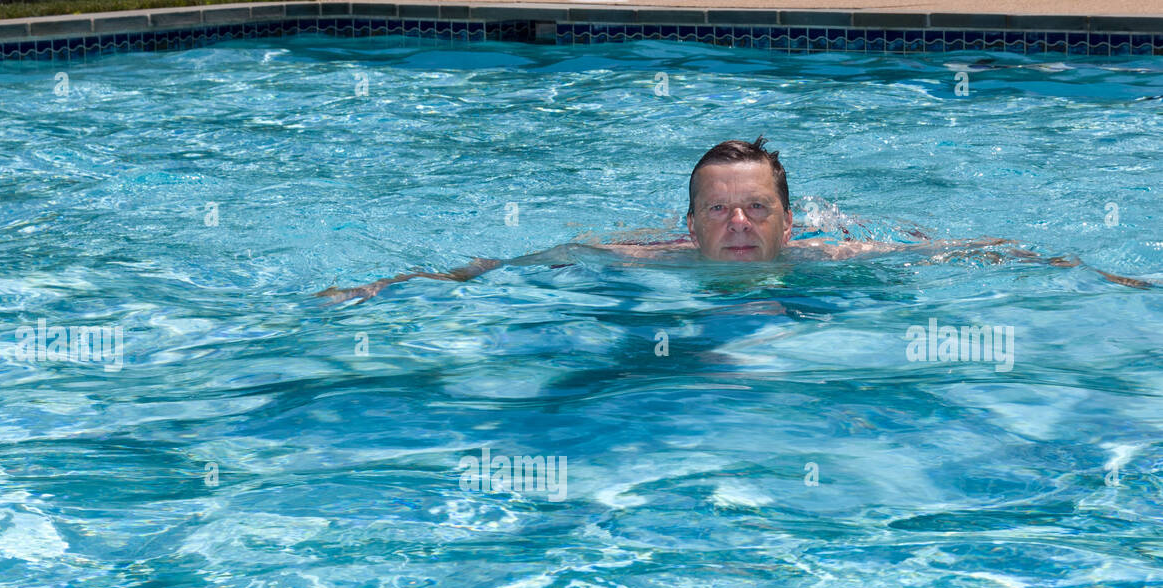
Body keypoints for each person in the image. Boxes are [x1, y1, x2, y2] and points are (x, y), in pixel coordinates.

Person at [317, 136, 1152, 302]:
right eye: (717, 211)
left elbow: (990, 254)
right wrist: (399, 283)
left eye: (757, 207)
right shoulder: (647, 260)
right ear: (688, 225)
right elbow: (519, 264)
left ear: (791, 222)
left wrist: (1113, 279)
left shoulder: (841, 257)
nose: (739, 223)